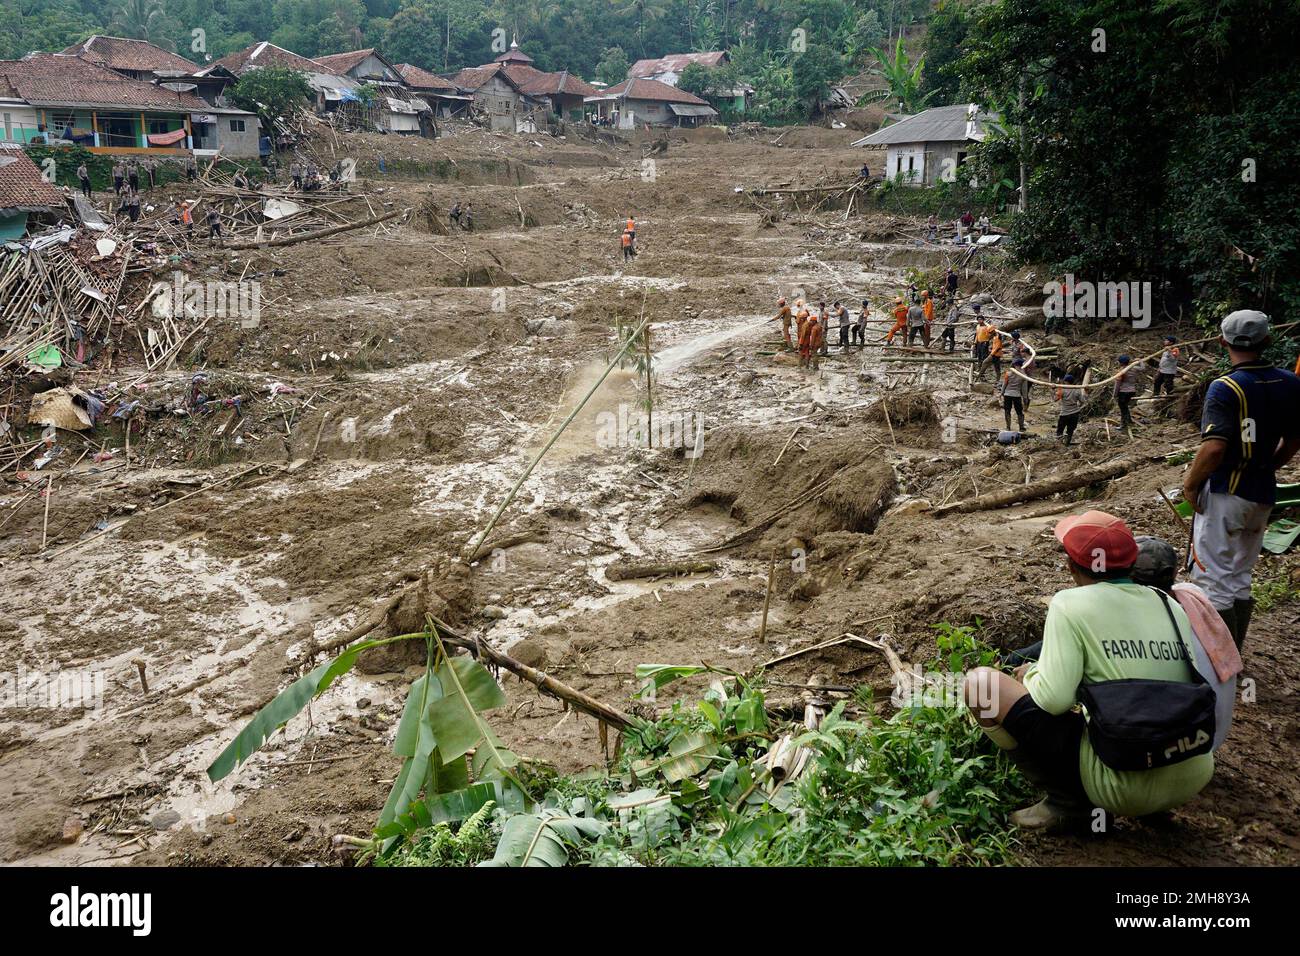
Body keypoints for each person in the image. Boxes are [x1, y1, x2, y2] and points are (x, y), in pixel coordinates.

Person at [963, 511, 1214, 830]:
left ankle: (1069, 802)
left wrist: (1029, 674)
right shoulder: (1170, 605)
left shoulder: (1069, 604)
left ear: (1071, 566)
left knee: (981, 685)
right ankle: (1154, 806)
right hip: (1190, 773)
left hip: (1123, 784)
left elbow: (1053, 700)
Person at [1183, 310, 1300, 649]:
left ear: (1223, 342)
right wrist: (1269, 466)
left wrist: (1191, 484)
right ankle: (1235, 652)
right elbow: (1294, 439)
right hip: (1262, 491)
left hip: (1226, 491)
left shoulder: (1226, 387)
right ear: (1267, 340)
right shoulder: (1290, 383)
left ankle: (1217, 659)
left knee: (1211, 576)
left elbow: (1214, 448)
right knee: (1239, 574)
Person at [1131, 536, 1241, 753]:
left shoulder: (1147, 621)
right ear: (1173, 573)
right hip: (1215, 735)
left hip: (1185, 744)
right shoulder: (1193, 594)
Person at [1114, 354, 1141, 431]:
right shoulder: (1134, 368)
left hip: (1123, 392)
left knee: (1123, 409)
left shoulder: (1121, 372)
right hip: (1132, 391)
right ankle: (1129, 421)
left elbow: (1117, 384)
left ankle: (1123, 425)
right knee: (1125, 406)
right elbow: (1143, 368)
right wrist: (1140, 361)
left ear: (1121, 363)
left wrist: (1115, 394)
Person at [1055, 374, 1085, 445]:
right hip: (1075, 413)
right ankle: (1067, 443)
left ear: (1066, 381)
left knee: (1060, 430)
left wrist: (1054, 390)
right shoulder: (1077, 390)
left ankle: (1059, 445)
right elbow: (1083, 401)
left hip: (1064, 413)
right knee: (1070, 430)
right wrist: (1086, 392)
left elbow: (1055, 399)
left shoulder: (1062, 390)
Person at [1001, 358, 1028, 432]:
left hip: (1007, 394)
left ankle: (1008, 427)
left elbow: (1004, 384)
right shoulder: (1024, 375)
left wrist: (1001, 393)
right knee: (1019, 412)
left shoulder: (1008, 373)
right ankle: (1021, 428)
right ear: (1021, 365)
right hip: (1017, 395)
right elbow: (1024, 389)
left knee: (1007, 411)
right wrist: (1025, 398)